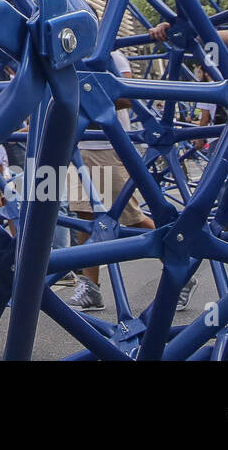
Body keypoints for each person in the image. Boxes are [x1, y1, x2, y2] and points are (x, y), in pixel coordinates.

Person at [65, 49, 158, 312]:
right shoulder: (69, 58)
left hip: (109, 146)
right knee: (85, 218)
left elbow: (127, 95)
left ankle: (180, 260)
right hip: (82, 146)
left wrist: (85, 95)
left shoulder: (112, 57)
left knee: (131, 218)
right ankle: (90, 288)